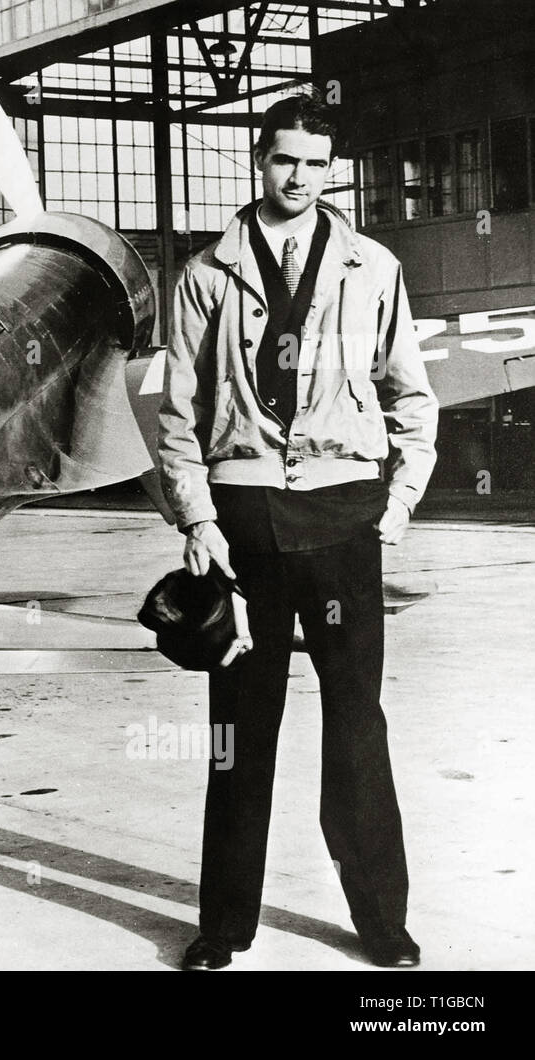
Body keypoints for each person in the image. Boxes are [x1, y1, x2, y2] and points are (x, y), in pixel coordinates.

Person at [157, 91, 438, 970]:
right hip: (244, 522)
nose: (301, 178)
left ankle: (380, 921)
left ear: (331, 170)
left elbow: (411, 398)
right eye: (286, 160)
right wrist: (197, 517)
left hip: (343, 515)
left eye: (317, 164)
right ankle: (226, 923)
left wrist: (396, 507)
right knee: (241, 730)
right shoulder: (207, 276)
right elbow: (177, 414)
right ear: (258, 160)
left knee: (358, 724)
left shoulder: (373, 268)